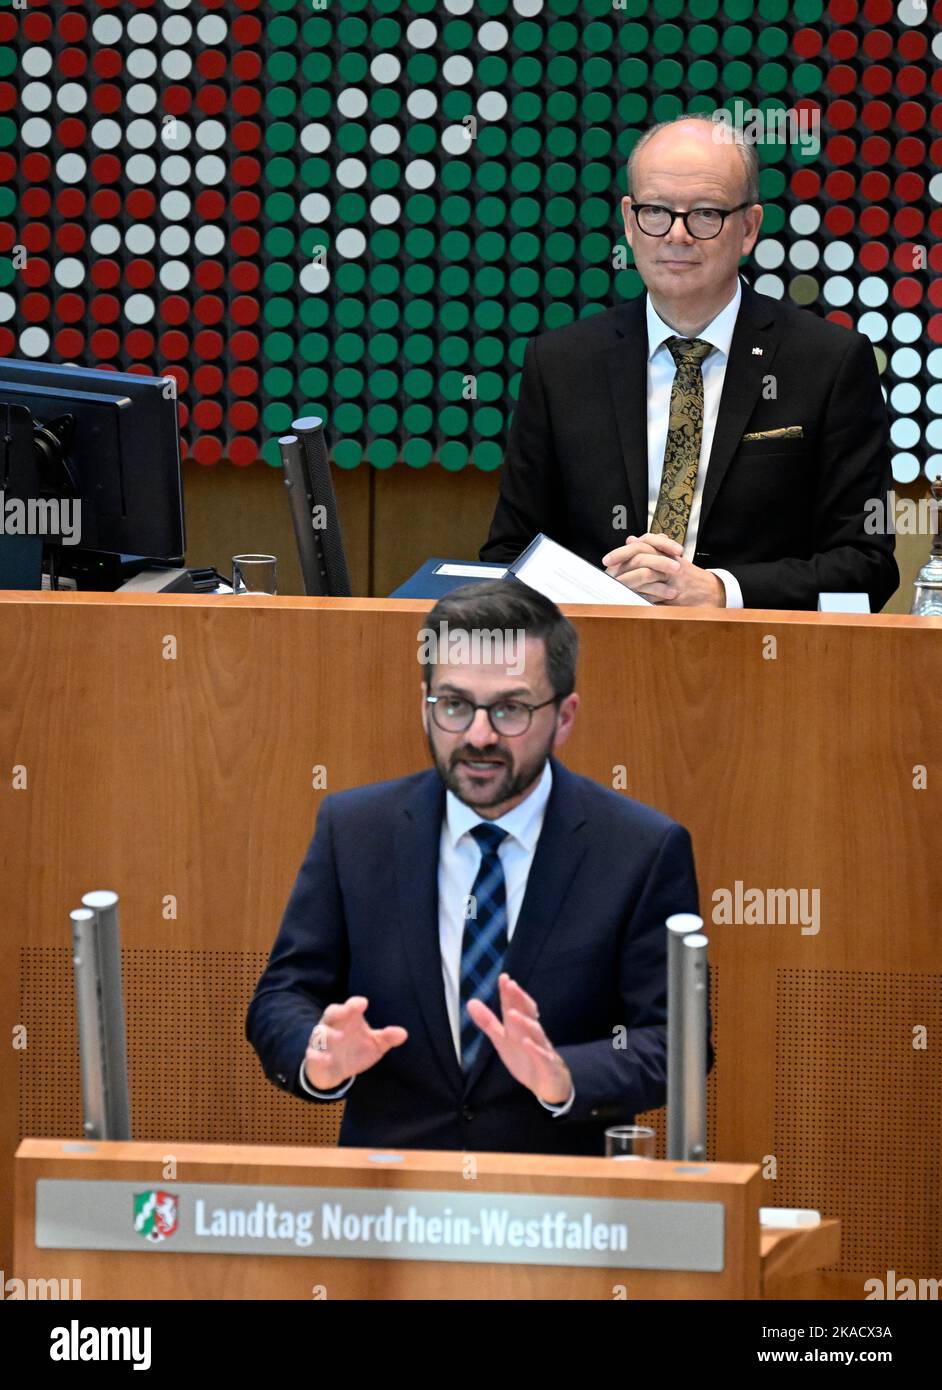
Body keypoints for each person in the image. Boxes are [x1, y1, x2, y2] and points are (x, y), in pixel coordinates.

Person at [246, 581, 711, 1156]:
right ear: (426, 706)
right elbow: (282, 996)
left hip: (560, 1204)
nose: (479, 735)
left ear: (564, 717)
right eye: (455, 705)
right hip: (390, 1198)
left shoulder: (640, 848)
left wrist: (563, 1075)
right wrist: (319, 1055)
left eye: (510, 709)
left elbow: (680, 1042)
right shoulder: (355, 829)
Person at [480, 114, 898, 612]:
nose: (677, 236)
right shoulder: (561, 364)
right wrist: (601, 590)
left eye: (705, 214)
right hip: (596, 664)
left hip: (766, 663)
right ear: (630, 223)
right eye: (656, 212)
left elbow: (866, 568)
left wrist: (719, 590)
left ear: (748, 228)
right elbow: (509, 555)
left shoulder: (829, 363)